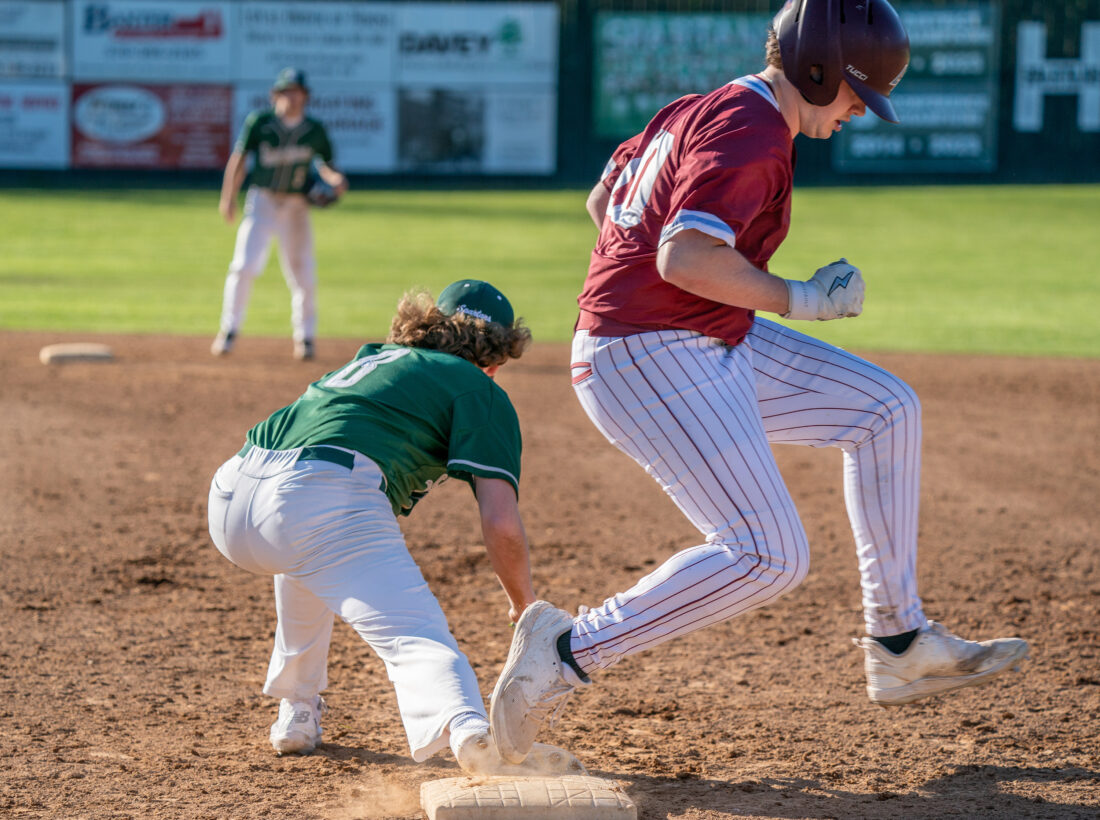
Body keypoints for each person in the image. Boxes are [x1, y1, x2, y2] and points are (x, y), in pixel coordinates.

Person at [489, 0, 1028, 765]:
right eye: (854, 93)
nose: (856, 112)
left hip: (685, 333)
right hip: (644, 351)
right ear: (817, 69)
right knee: (768, 553)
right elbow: (683, 260)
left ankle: (900, 639)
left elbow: (605, 199)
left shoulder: (699, 107)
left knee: (885, 409)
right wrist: (805, 298)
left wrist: (640, 272)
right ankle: (568, 649)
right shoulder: (754, 131)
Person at [206, 280, 584, 775]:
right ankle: (469, 732)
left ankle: (297, 710)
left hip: (232, 492)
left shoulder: (372, 360)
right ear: (494, 357)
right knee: (414, 632)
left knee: (306, 556)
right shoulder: (479, 390)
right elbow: (501, 521)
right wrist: (522, 602)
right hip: (316, 495)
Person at [212, 67, 349, 361]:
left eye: (296, 91)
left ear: (305, 96)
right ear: (275, 95)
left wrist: (335, 179)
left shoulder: (315, 130)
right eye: (286, 91)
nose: (291, 97)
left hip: (296, 206)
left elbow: (327, 164)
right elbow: (239, 160)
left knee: (302, 271)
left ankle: (306, 338)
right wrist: (228, 197)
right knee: (244, 265)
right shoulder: (260, 123)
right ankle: (229, 331)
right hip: (262, 200)